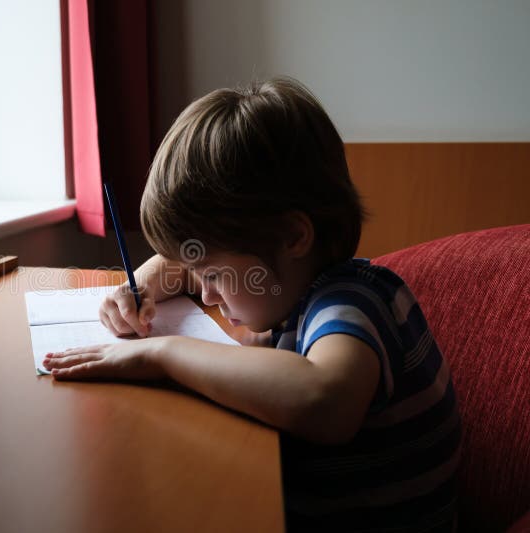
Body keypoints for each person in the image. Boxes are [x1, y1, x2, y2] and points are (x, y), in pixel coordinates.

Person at [42, 77, 460, 532]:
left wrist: (164, 354)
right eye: (201, 273)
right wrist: (137, 288)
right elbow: (185, 262)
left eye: (216, 276)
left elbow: (326, 398)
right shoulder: (294, 278)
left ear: (293, 237)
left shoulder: (350, 302)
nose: (207, 294)